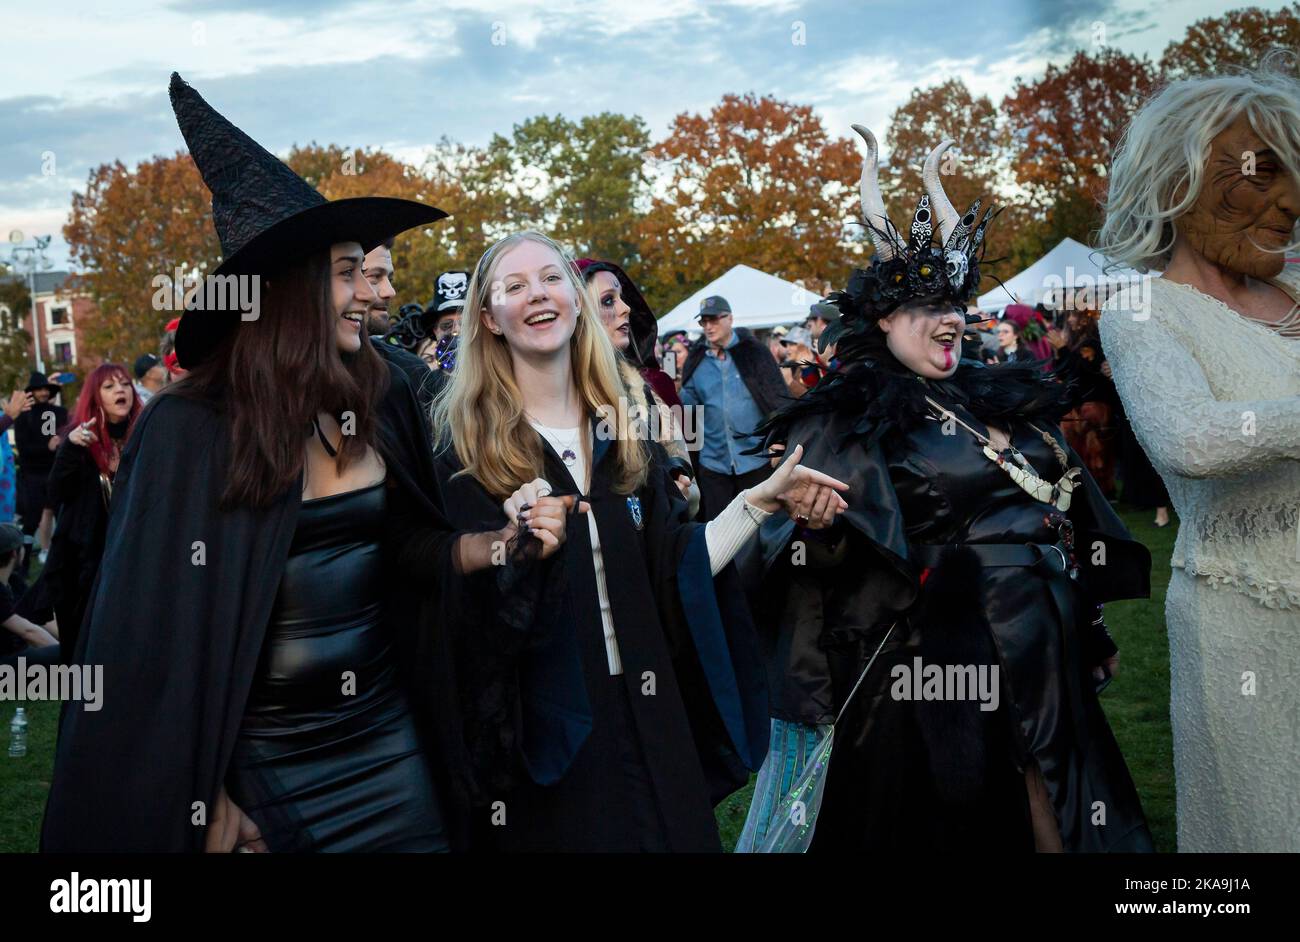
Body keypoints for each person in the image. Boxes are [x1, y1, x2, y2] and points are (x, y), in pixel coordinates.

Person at [40, 73, 535, 853]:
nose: (364, 293)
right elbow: (146, 639)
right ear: (287, 289)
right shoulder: (189, 430)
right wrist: (203, 790)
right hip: (263, 770)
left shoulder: (383, 394)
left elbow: (403, 546)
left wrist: (485, 545)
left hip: (387, 744)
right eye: (344, 272)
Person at [739, 126, 1153, 854]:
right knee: (976, 816)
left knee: (1068, 799)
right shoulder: (853, 418)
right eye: (924, 307)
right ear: (883, 320)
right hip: (937, 660)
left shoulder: (1002, 398)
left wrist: (1088, 625)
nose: (949, 318)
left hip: (1044, 636)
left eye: (954, 301)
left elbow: (1059, 514)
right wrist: (816, 526)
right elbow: (818, 554)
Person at [428, 230, 848, 852]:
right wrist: (507, 550)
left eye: (551, 279)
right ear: (488, 318)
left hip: (654, 710)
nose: (537, 296)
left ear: (574, 300)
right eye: (514, 287)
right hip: (555, 740)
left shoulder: (621, 430)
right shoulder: (467, 453)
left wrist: (756, 503)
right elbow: (454, 621)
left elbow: (673, 567)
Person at [1098, 59, 1300, 851]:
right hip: (1240, 619)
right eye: (1261, 175)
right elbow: (1191, 438)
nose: (1289, 203)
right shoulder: (1142, 310)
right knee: (1261, 826)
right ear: (1177, 177)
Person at [576, 258, 696, 513]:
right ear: (578, 313)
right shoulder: (552, 395)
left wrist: (675, 484)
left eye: (622, 297)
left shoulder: (648, 388)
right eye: (608, 300)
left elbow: (686, 477)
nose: (626, 308)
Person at [44, 363, 142, 663]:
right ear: (95, 397)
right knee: (83, 653)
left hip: (128, 559)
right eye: (109, 386)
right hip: (80, 565)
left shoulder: (142, 436)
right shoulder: (79, 438)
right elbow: (56, 493)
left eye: (124, 384)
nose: (120, 391)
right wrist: (71, 449)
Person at [680, 295, 788, 520]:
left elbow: (777, 399)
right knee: (720, 531)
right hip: (713, 464)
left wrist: (780, 440)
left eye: (714, 320)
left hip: (755, 460)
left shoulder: (754, 353)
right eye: (703, 322)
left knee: (760, 528)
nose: (708, 327)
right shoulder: (697, 359)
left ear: (730, 318)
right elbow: (686, 408)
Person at [12, 372, 67, 569]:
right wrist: (48, 447)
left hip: (55, 473)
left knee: (64, 515)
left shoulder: (57, 413)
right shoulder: (24, 416)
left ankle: (61, 557)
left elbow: (58, 438)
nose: (43, 392)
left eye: (46, 389)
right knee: (32, 520)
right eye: (39, 389)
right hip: (33, 476)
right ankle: (23, 563)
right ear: (31, 392)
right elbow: (25, 448)